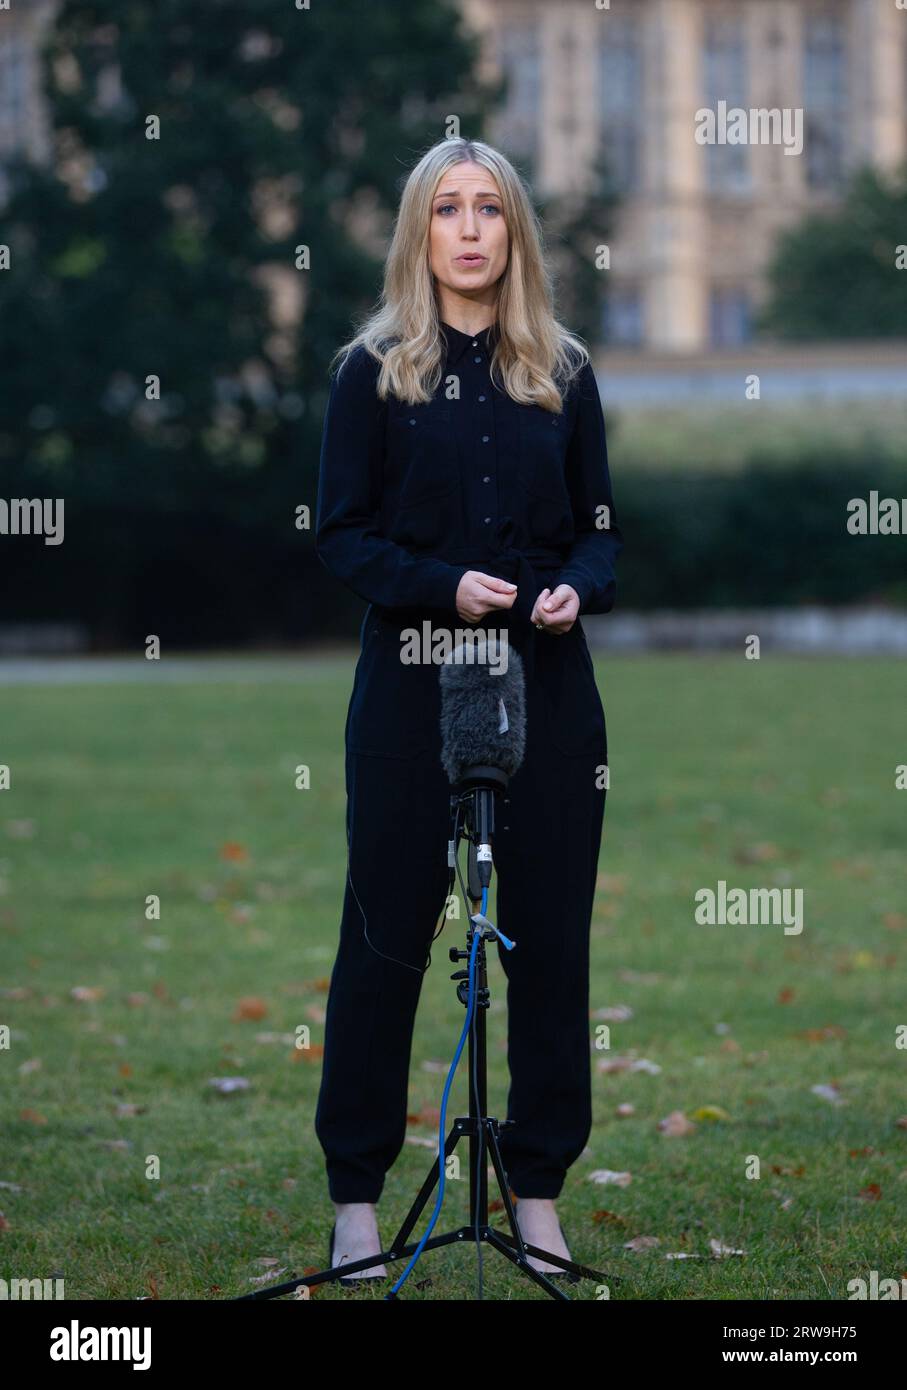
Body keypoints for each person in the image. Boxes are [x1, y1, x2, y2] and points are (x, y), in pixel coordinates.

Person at [314, 137, 623, 1282]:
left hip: (547, 688)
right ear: (419, 232)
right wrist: (440, 584)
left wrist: (570, 589)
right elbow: (341, 533)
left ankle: (535, 1189)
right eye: (446, 209)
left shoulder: (565, 369)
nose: (470, 228)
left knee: (548, 945)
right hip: (408, 683)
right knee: (385, 938)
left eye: (489, 208)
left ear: (514, 231)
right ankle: (356, 1196)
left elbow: (601, 530)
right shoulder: (372, 369)